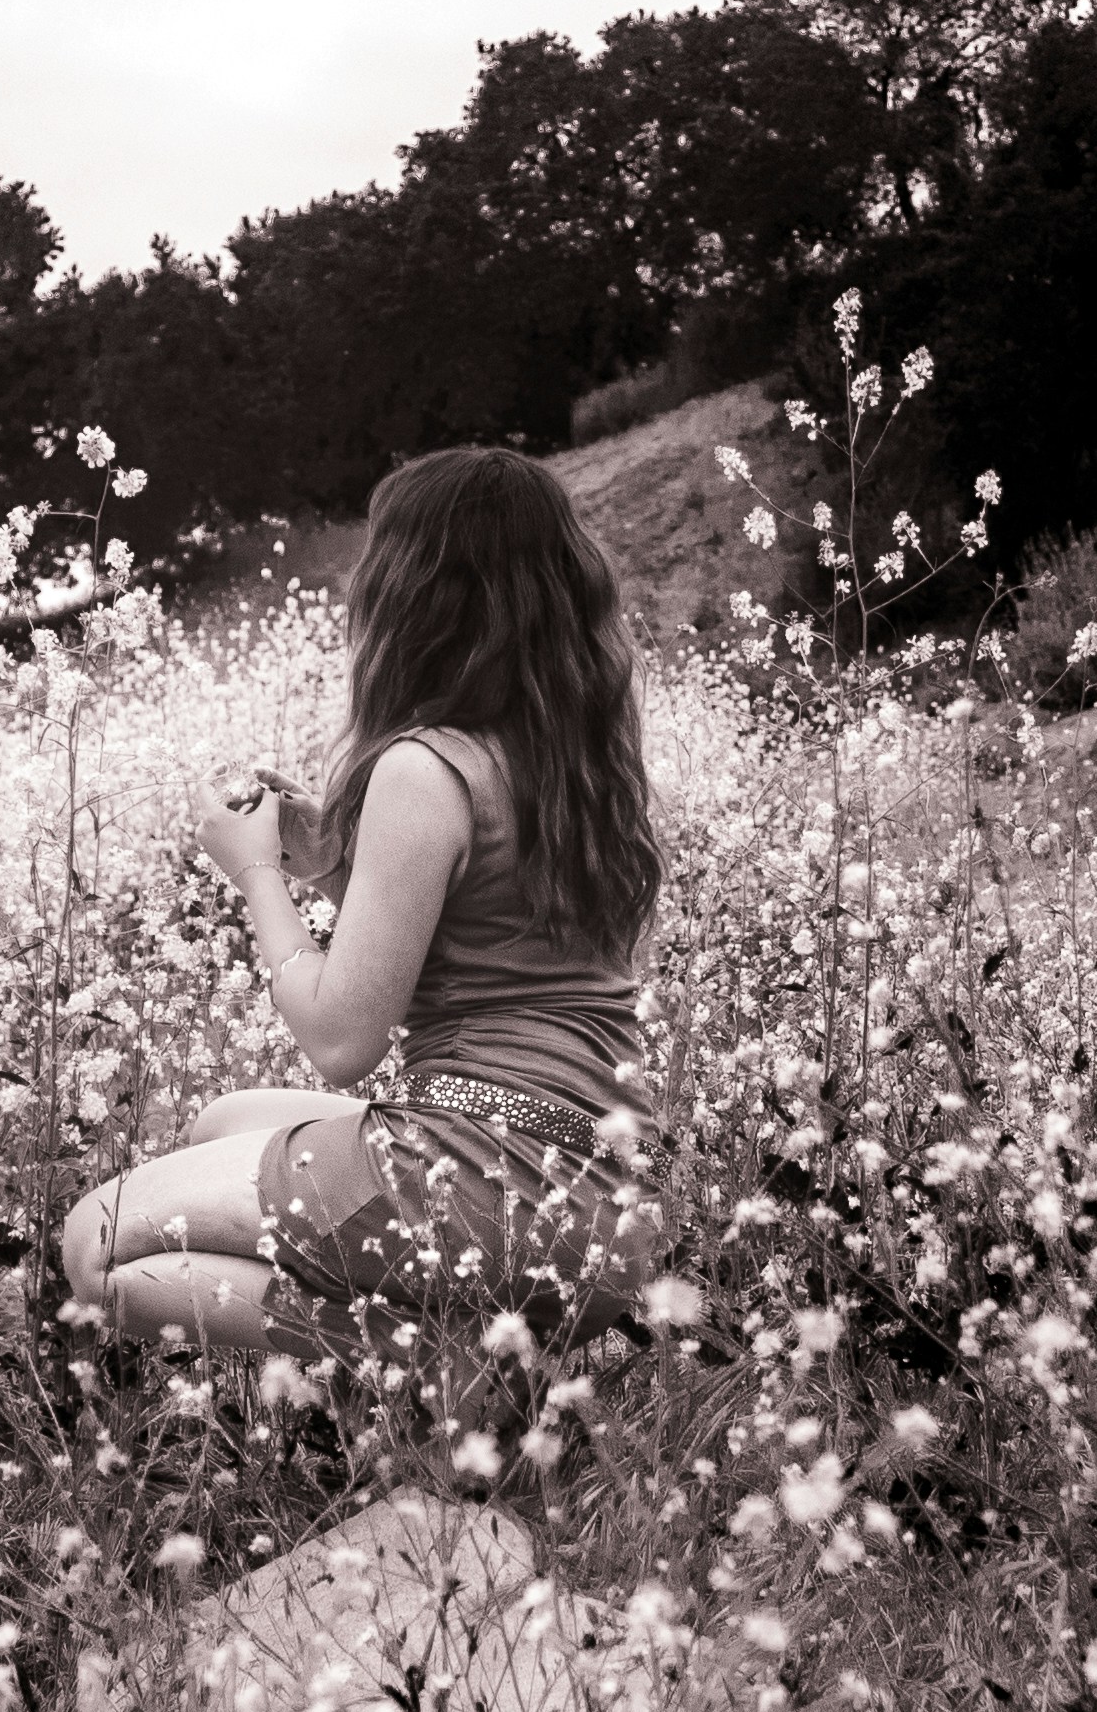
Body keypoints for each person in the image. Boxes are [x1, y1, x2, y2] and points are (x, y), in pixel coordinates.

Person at [60, 444, 674, 1358]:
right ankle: (473, 1345)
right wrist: (335, 869)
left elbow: (342, 1042)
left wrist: (259, 873)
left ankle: (438, 1375)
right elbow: (492, 947)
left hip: (478, 1176)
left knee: (97, 1248)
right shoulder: (576, 757)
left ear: (413, 595)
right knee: (217, 1127)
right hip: (601, 1205)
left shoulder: (423, 767)